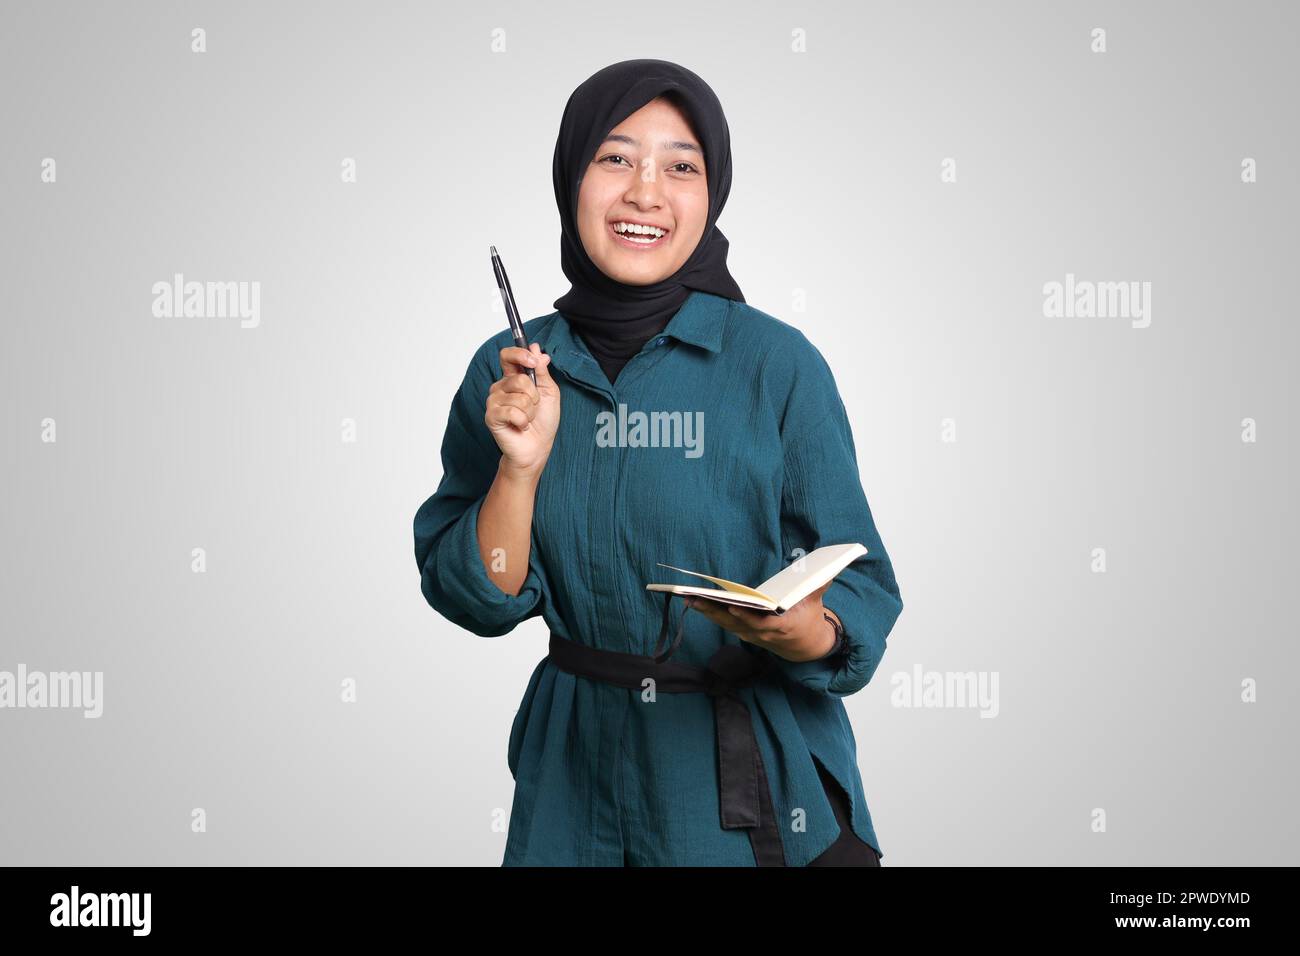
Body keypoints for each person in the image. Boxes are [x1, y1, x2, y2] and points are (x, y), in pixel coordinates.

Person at [413, 59, 903, 866]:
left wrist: (802, 630)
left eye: (681, 166)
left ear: (713, 194)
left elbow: (864, 589)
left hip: (746, 785)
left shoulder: (776, 365)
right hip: (574, 783)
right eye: (615, 159)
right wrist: (520, 469)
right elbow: (480, 600)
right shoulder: (511, 374)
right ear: (572, 177)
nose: (646, 192)